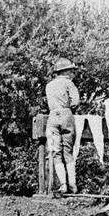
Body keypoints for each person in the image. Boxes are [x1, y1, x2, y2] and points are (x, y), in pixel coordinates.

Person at [45, 57, 80, 195]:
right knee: (68, 151)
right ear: (66, 71)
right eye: (71, 71)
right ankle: (73, 184)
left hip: (52, 116)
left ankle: (63, 185)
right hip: (66, 114)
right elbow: (75, 101)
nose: (73, 74)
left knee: (56, 152)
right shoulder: (68, 83)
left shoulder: (49, 85)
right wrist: (69, 108)